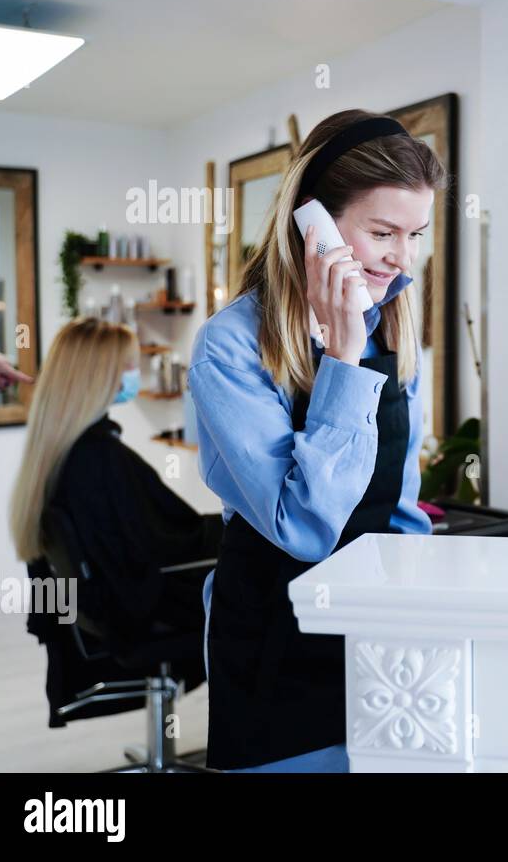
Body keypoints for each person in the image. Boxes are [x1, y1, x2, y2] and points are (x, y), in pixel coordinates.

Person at [189, 109, 444, 772]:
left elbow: (402, 507)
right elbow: (302, 526)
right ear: (315, 223)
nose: (401, 256)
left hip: (377, 639)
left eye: (416, 234)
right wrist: (345, 361)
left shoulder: (395, 325)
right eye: (383, 231)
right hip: (274, 642)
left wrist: (428, 613)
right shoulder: (232, 346)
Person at [9, 318, 220, 724]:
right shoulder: (99, 458)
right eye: (128, 365)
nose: (134, 374)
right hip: (139, 614)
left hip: (99, 614)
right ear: (100, 374)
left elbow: (149, 534)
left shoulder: (62, 454)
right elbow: (167, 542)